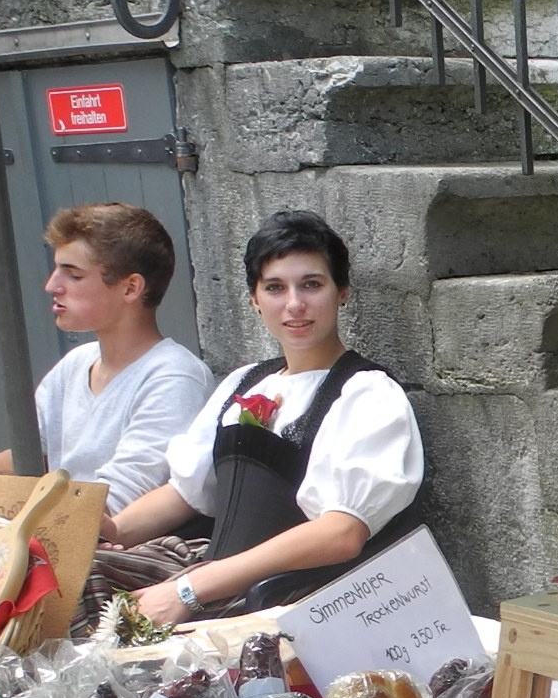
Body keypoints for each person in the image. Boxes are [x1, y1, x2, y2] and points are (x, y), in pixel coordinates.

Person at [108, 208, 425, 624]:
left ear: (342, 292)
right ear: (254, 300)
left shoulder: (366, 393)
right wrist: (109, 532)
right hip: (213, 576)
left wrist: (190, 589)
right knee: (78, 581)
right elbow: (187, 491)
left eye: (311, 284)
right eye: (275, 287)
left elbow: (342, 533)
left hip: (291, 600)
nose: (294, 304)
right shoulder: (245, 381)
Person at [0, 203, 210, 511]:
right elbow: (35, 454)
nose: (52, 286)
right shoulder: (76, 363)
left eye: (73, 275)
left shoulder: (175, 377)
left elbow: (118, 497)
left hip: (110, 536)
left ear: (131, 288)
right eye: (56, 270)